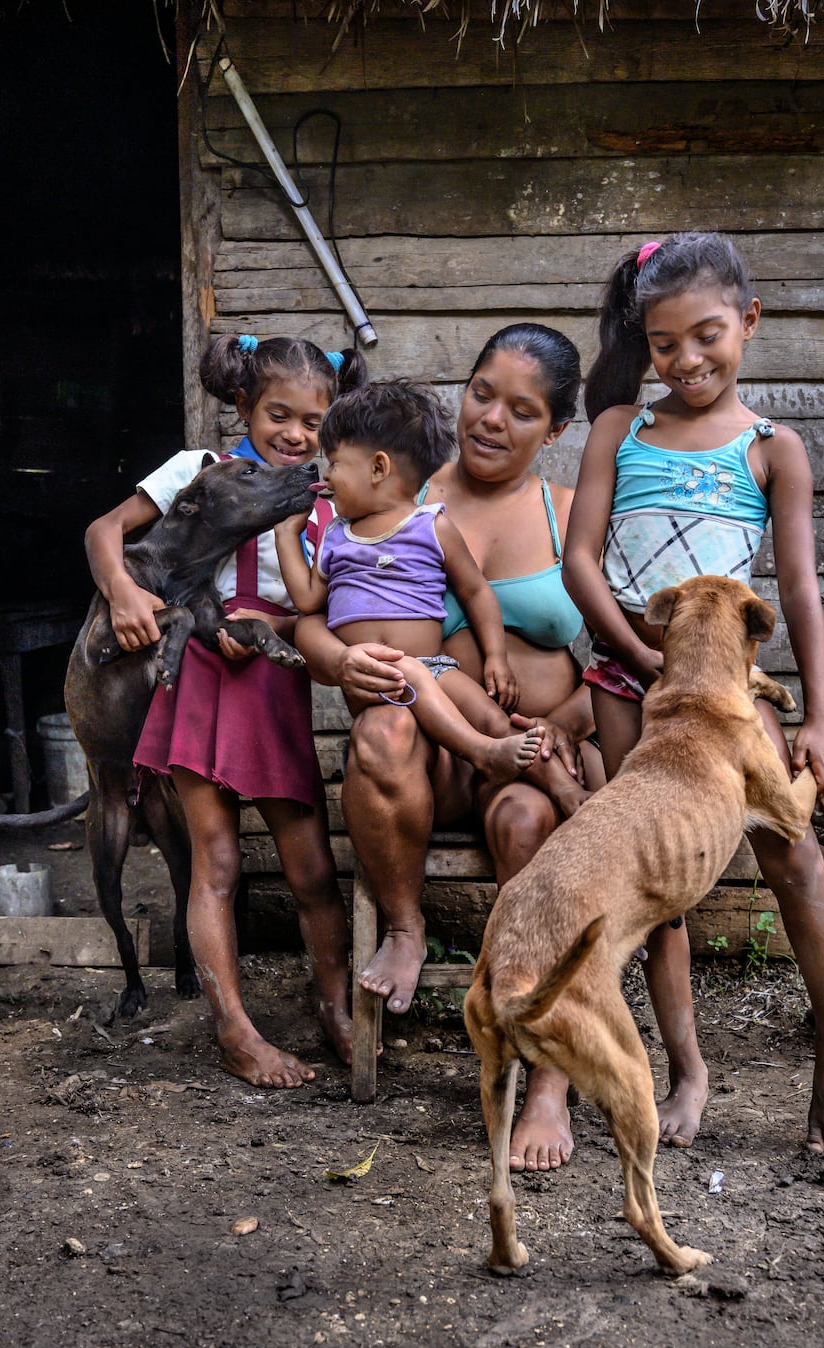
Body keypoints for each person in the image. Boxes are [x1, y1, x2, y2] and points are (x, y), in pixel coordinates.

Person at [563, 232, 824, 1153]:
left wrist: (819, 717)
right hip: (627, 681)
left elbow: (799, 589)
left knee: (793, 856)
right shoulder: (620, 430)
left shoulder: (772, 450)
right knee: (659, 879)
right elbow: (580, 563)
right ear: (644, 342)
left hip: (731, 695)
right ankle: (686, 1070)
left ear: (749, 322)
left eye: (707, 336)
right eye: (664, 344)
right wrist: (644, 658)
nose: (687, 360)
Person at [295, 324, 603, 1170]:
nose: (492, 418)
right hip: (428, 752)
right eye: (481, 393)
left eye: (522, 410)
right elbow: (311, 616)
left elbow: (618, 659)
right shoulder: (386, 482)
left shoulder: (572, 512)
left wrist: (566, 722)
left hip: (526, 753)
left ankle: (548, 1079)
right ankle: (405, 927)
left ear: (557, 428)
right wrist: (337, 661)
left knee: (526, 821)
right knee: (382, 726)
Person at [84, 333, 366, 1088]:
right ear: (243, 405)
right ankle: (234, 1030)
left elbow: (324, 607)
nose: (295, 434)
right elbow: (103, 532)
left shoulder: (321, 501)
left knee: (312, 868)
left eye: (313, 422)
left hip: (272, 681)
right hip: (199, 677)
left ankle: (334, 1005)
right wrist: (124, 593)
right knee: (217, 862)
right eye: (279, 415)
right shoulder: (197, 469)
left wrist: (273, 628)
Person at [276, 378, 563, 785]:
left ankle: (566, 790)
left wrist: (495, 656)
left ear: (378, 468)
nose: (328, 475)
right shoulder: (336, 535)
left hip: (437, 667)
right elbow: (308, 601)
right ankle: (480, 753)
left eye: (335, 463)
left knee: (495, 721)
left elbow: (475, 590)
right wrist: (287, 535)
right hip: (375, 678)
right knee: (409, 674)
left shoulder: (431, 526)